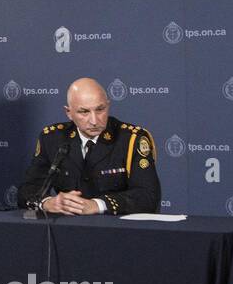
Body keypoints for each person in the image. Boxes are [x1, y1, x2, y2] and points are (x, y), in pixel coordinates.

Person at [16, 77, 160, 215]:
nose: (94, 120)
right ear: (69, 113)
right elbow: (27, 190)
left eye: (100, 109)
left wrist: (98, 205)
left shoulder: (131, 139)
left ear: (108, 106)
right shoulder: (53, 138)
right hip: (68, 230)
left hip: (119, 230)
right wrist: (47, 203)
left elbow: (148, 196)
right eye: (84, 112)